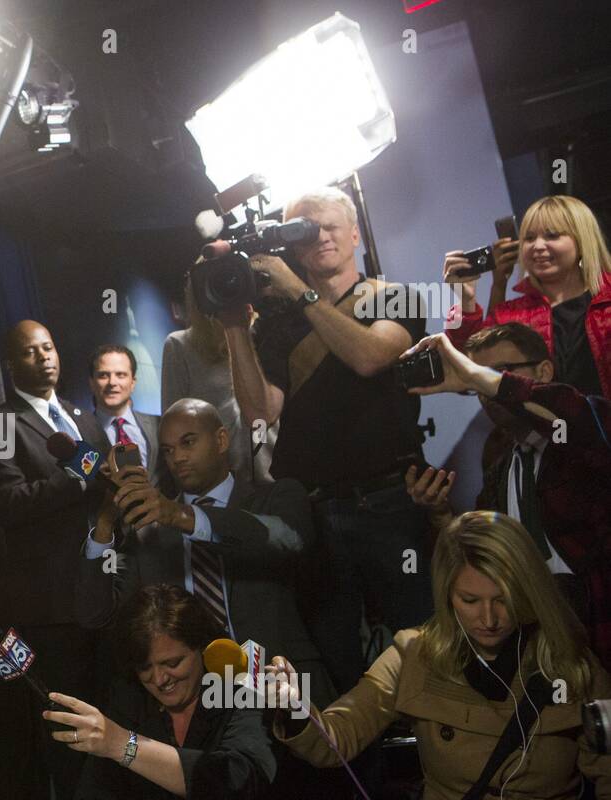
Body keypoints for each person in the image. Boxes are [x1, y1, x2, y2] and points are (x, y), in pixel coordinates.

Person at [267, 512, 611, 800]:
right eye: (470, 600)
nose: (489, 619)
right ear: (447, 595)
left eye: (503, 599)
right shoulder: (413, 656)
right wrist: (294, 706)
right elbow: (335, 739)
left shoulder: (573, 666)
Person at [212, 185, 433, 692]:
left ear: (355, 233)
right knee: (333, 660)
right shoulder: (276, 325)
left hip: (390, 501)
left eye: (331, 225)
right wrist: (233, 327)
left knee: (420, 643)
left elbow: (371, 357)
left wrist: (301, 295)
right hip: (313, 511)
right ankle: (353, 767)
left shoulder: (393, 296)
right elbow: (260, 411)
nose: (321, 238)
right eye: (305, 231)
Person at [76, 398, 334, 705]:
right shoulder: (149, 530)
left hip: (283, 682)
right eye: (168, 450)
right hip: (199, 702)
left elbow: (287, 540)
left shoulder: (277, 496)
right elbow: (96, 615)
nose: (177, 458)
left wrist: (181, 516)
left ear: (221, 439)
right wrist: (105, 523)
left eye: (188, 443)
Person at [402, 326, 611, 669]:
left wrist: (478, 376)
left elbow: (569, 410)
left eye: (500, 372)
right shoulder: (502, 470)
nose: (485, 388)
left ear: (544, 371)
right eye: (477, 381)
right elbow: (485, 558)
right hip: (541, 644)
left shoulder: (584, 428)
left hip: (598, 629)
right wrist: (439, 514)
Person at [0, 319, 110, 800]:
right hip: (54, 603)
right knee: (69, 719)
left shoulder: (82, 415)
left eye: (48, 347)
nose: (44, 357)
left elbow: (107, 486)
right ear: (12, 365)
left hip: (109, 591)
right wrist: (79, 476)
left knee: (115, 709)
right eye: (30, 352)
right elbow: (8, 504)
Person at [57, 584, 278, 800]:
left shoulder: (242, 687)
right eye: (145, 668)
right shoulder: (128, 699)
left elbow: (237, 782)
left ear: (205, 648)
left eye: (172, 663)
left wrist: (123, 745)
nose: (160, 680)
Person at [445, 194, 611, 398]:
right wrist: (466, 300)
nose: (538, 246)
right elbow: (469, 374)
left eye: (552, 235)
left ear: (582, 240)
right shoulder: (509, 314)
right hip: (545, 428)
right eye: (529, 238)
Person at [162, 281, 274, 485]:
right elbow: (172, 424)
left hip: (273, 470)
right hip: (217, 479)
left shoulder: (265, 335)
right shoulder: (180, 345)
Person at [89, 344, 160, 482]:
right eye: (103, 375)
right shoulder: (79, 433)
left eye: (121, 375)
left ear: (133, 382)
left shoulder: (159, 425)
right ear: (91, 383)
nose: (112, 382)